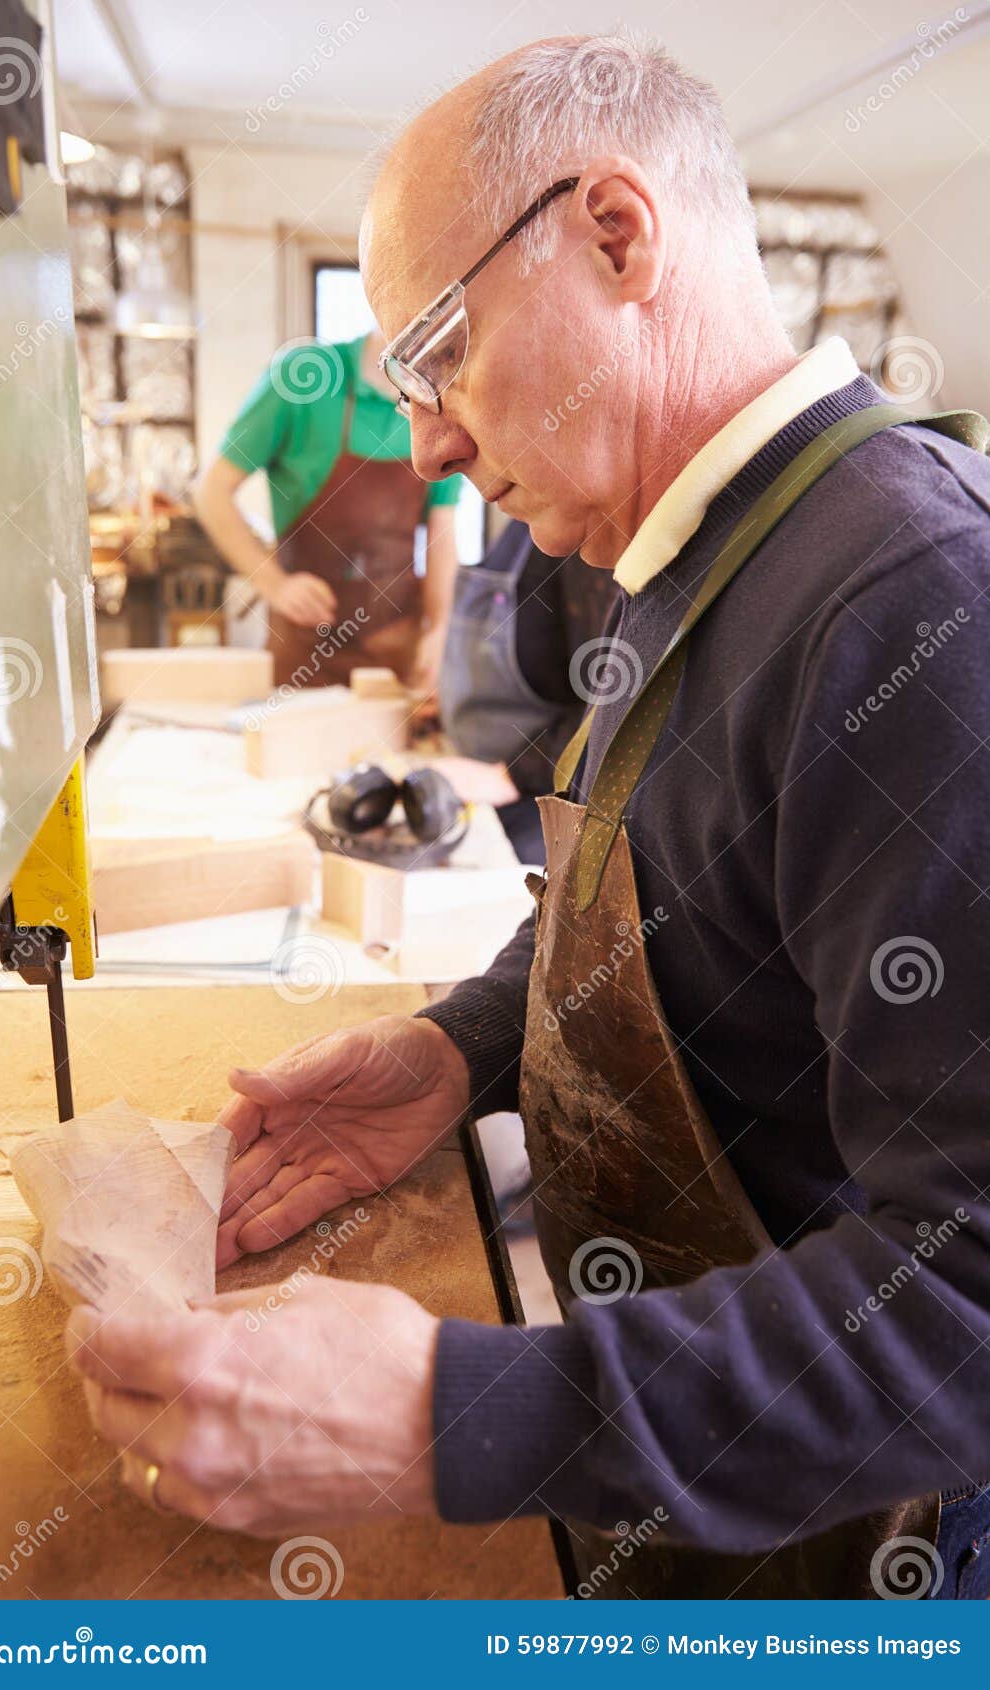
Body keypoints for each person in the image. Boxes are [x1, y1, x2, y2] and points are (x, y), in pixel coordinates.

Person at [67, 35, 990, 1599]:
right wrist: (456, 1047)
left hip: (829, 1542)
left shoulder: (912, 602)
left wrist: (465, 1409)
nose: (421, 435)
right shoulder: (668, 549)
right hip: (663, 1451)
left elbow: (962, 1292)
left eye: (435, 346)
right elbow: (660, 892)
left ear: (616, 234)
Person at [194, 326, 461, 699]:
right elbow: (211, 491)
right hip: (302, 660)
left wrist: (440, 630)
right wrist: (275, 585)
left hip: (395, 660)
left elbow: (441, 532)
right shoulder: (305, 376)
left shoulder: (442, 402)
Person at [431, 517, 621, 861]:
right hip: (474, 766)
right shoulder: (522, 516)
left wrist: (513, 774)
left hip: (549, 789)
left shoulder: (598, 541)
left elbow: (615, 711)